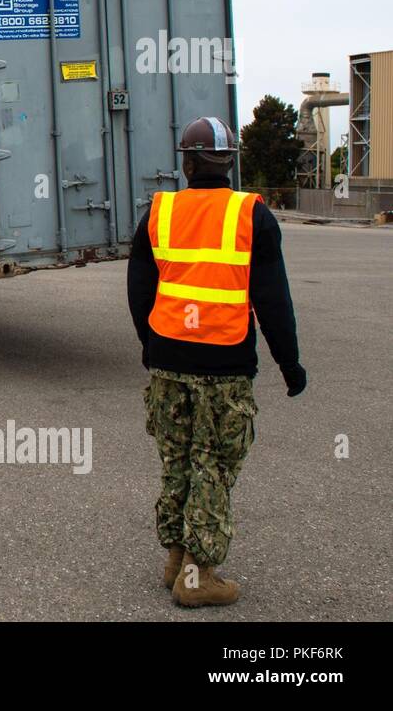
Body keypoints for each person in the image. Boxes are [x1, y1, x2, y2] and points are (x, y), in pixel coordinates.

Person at [127, 115, 306, 607]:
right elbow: (273, 301)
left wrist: (151, 343)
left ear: (185, 164)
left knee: (177, 460)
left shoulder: (159, 212)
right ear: (229, 163)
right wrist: (290, 365)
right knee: (213, 466)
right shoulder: (252, 215)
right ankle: (198, 577)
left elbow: (139, 287)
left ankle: (176, 557)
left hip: (167, 359)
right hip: (224, 367)